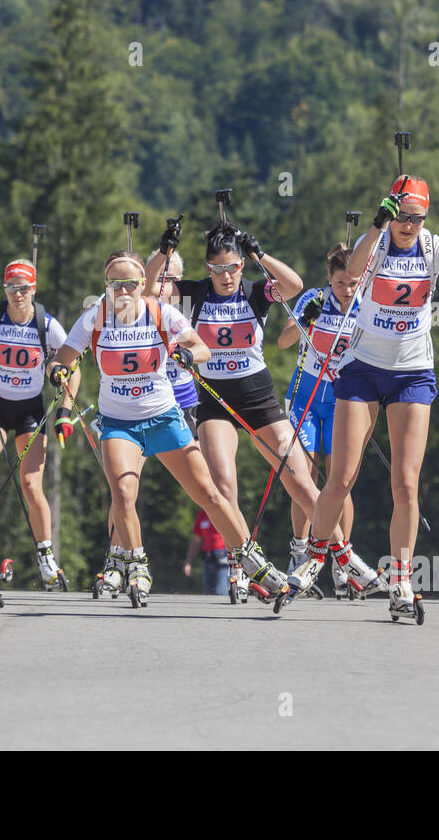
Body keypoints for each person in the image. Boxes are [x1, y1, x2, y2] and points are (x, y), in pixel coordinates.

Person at [286, 180, 439, 621]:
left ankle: (401, 576)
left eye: (416, 218)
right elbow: (355, 268)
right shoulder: (375, 241)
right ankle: (315, 558)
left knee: (406, 482)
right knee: (340, 476)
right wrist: (378, 223)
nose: (408, 225)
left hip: (412, 373)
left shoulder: (434, 247)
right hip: (362, 369)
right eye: (402, 216)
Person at [51, 249, 289, 606]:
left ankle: (253, 561)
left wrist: (188, 354)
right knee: (123, 493)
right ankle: (137, 564)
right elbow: (63, 358)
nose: (123, 291)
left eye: (130, 284)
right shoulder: (94, 318)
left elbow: (202, 348)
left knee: (208, 494)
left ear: (142, 284)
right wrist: (58, 371)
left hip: (164, 418)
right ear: (106, 286)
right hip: (119, 424)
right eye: (115, 284)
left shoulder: (162, 312)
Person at [145, 219, 320, 586]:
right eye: (217, 269)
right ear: (208, 268)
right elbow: (149, 289)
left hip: (258, 398)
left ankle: (337, 553)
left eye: (232, 267)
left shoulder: (256, 292)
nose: (225, 276)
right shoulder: (195, 293)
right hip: (214, 399)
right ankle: (243, 561)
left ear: (242, 265)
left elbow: (294, 285)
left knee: (300, 480)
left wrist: (259, 253)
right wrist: (165, 251)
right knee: (224, 485)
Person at [0, 258, 76, 589]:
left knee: (31, 485)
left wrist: (65, 411)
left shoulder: (48, 326)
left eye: (23, 288)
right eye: (11, 288)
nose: (17, 295)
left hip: (29, 411)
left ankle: (46, 556)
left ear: (33, 289)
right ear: (4, 289)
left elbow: (72, 368)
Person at [277, 245, 362, 593]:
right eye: (341, 282)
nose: (347, 289)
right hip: (306, 398)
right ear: (329, 278)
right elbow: (283, 342)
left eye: (353, 282)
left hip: (345, 398)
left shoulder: (366, 302)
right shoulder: (313, 298)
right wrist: (304, 319)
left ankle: (342, 562)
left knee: (340, 480)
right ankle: (300, 551)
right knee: (304, 476)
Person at [146, 249, 199, 431]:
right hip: (146, 400)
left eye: (172, 280)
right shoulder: (135, 309)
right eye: (160, 279)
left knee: (197, 455)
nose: (164, 287)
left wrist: (189, 354)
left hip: (183, 397)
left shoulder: (190, 303)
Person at [182, 508, 229, 595]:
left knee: (221, 592)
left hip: (223, 557)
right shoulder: (202, 515)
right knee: (208, 593)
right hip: (208, 558)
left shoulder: (224, 512)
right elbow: (197, 540)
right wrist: (188, 561)